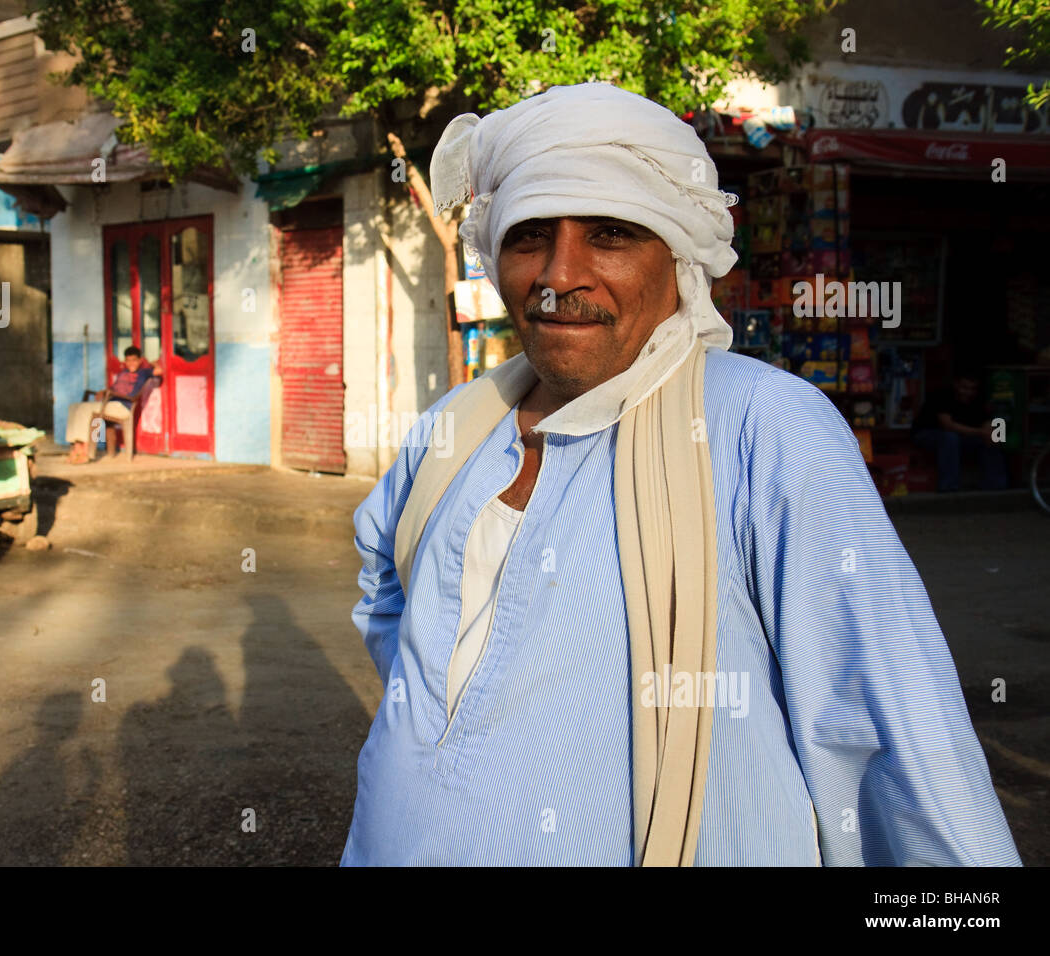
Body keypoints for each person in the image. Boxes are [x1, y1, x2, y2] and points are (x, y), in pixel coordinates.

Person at [342, 83, 1019, 866]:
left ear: (680, 256)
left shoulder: (764, 427)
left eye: (609, 234)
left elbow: (898, 727)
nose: (560, 274)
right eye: (530, 237)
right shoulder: (457, 424)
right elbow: (386, 587)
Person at [911, 369, 1007, 492]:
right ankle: (949, 487)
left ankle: (996, 485)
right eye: (964, 388)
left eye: (972, 388)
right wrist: (980, 432)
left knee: (991, 439)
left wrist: (989, 432)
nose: (968, 392)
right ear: (956, 384)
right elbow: (947, 425)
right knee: (949, 438)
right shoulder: (942, 395)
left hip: (961, 436)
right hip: (927, 434)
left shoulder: (977, 399)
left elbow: (986, 420)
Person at [64, 346, 162, 463]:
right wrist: (104, 392)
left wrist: (152, 363)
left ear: (140, 360)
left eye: (134, 360)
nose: (131, 363)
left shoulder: (144, 373)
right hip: (110, 404)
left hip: (122, 407)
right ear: (125, 361)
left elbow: (159, 371)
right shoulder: (122, 374)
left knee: (85, 409)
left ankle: (84, 450)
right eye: (128, 360)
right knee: (74, 407)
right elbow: (113, 389)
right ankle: (76, 446)